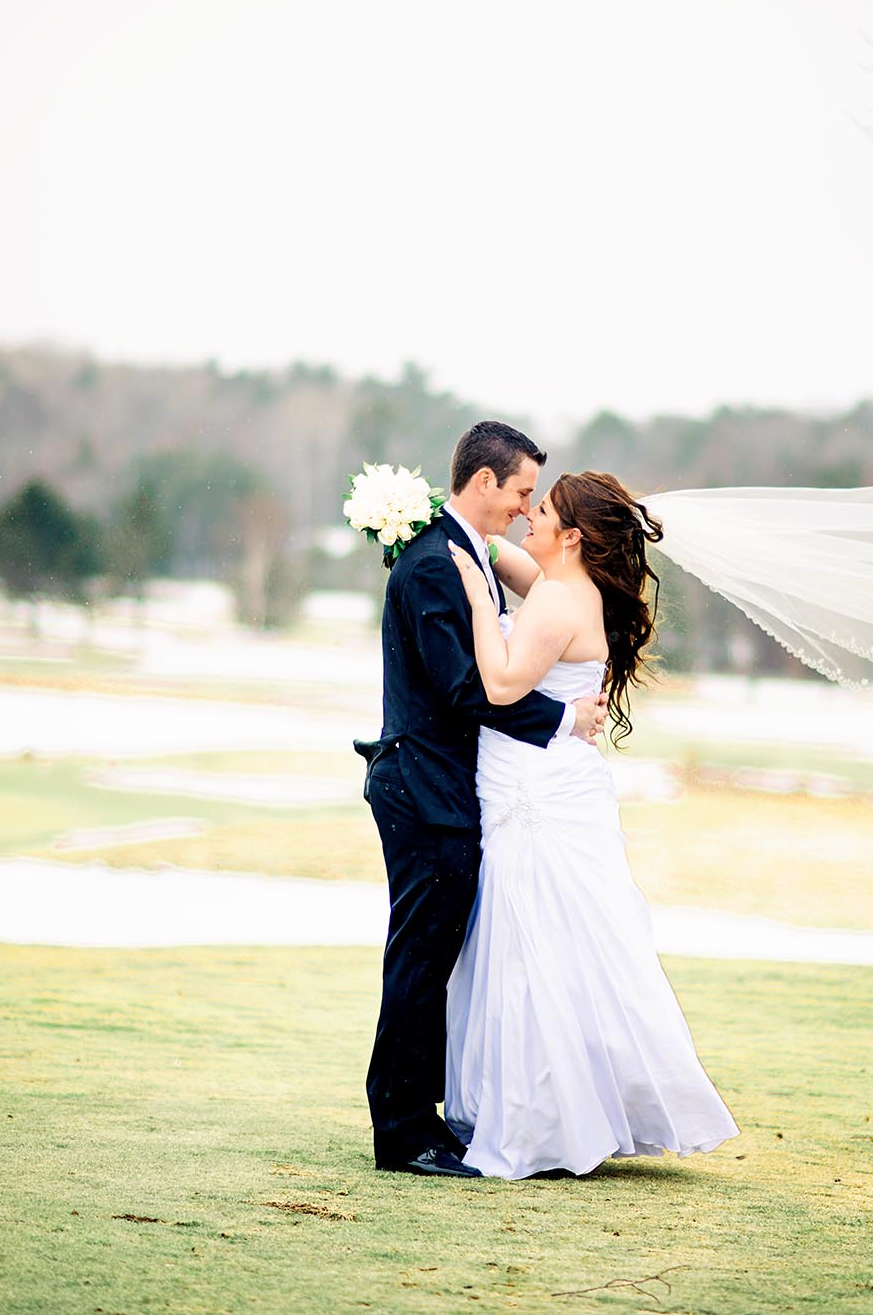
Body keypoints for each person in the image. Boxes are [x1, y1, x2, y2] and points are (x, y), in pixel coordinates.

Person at [441, 470, 739, 1179]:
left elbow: (504, 683)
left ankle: (541, 1116)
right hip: (555, 784)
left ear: (572, 535)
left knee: (531, 944)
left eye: (538, 511)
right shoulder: (571, 589)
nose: (527, 519)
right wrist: (465, 531)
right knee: (566, 942)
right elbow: (515, 564)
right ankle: (581, 1104)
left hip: (534, 795)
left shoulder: (555, 603)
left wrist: (479, 597)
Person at [356, 421, 609, 1178]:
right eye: (522, 491)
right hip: (424, 789)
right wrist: (562, 717)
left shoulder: (459, 548)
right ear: (486, 482)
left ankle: (424, 1116)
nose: (526, 508)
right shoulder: (437, 562)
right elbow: (466, 688)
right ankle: (401, 1131)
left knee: (433, 957)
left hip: (445, 789)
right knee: (418, 959)